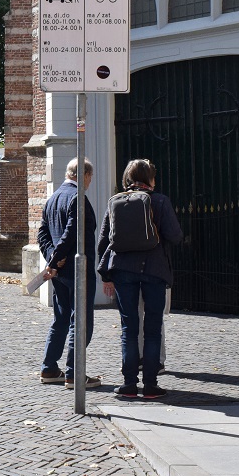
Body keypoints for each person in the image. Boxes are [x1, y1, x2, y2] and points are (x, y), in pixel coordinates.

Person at [97, 159, 183, 400]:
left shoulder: (116, 201)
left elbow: (104, 241)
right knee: (152, 329)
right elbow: (175, 236)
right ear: (151, 179)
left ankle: (129, 384)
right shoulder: (160, 201)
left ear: (128, 178)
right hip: (155, 271)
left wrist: (106, 274)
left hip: (123, 271)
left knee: (129, 328)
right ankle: (151, 385)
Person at [36, 158, 99, 388]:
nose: (90, 182)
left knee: (61, 319)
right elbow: (73, 231)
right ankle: (74, 373)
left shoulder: (52, 198)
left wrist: (52, 258)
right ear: (85, 175)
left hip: (60, 273)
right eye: (90, 178)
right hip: (78, 270)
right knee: (80, 322)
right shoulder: (77, 198)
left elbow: (42, 234)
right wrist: (56, 257)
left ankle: (49, 368)